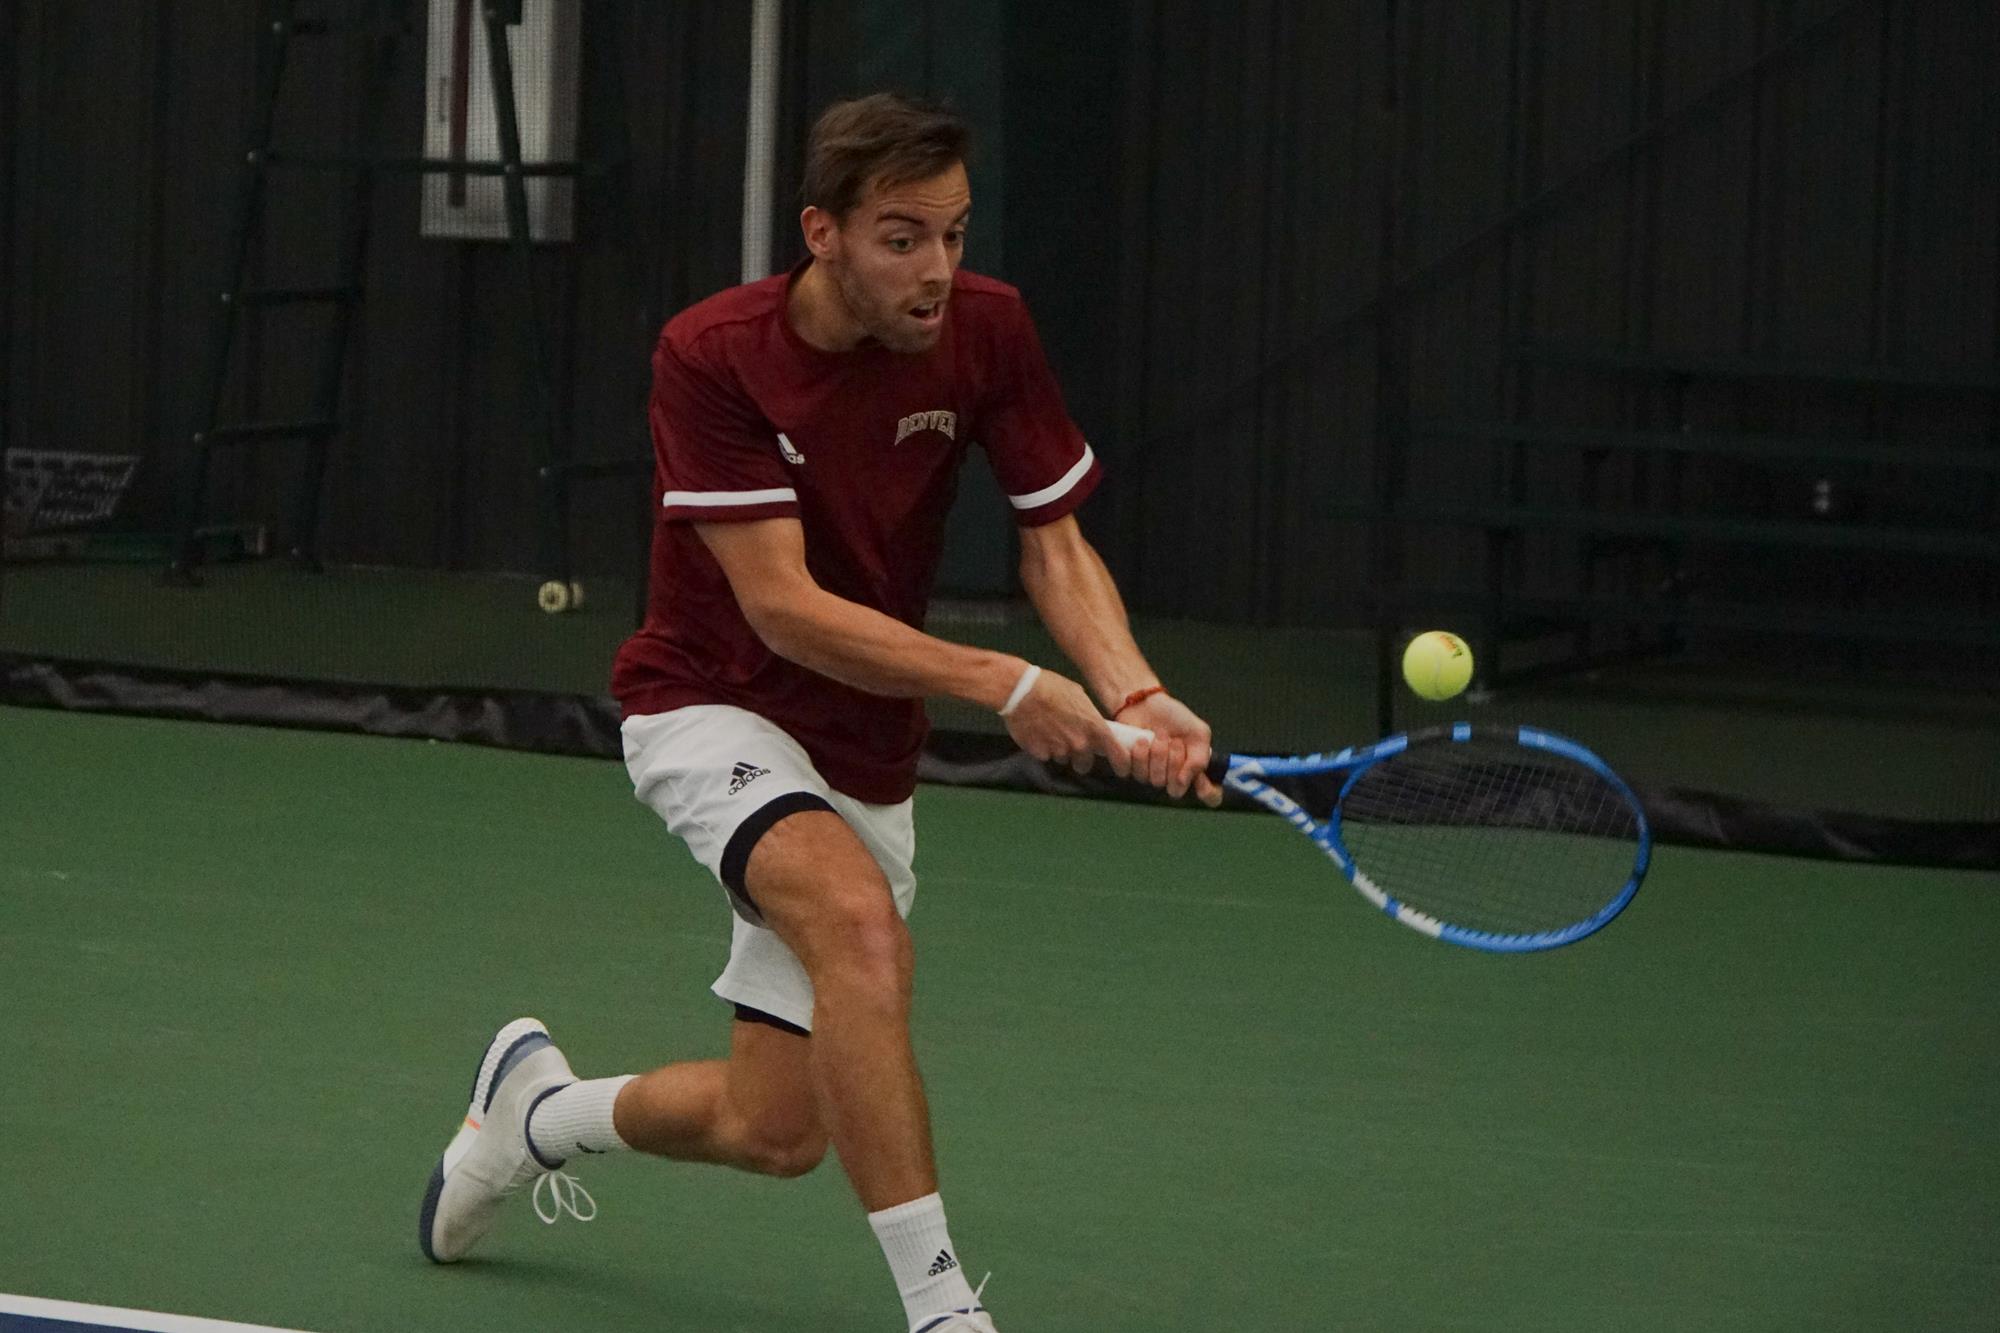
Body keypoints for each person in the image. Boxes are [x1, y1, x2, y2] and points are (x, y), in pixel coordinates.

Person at [417, 92, 1219, 1332]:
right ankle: (946, 1311)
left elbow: (1053, 544)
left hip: (863, 740)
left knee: (774, 1128)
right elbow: (781, 607)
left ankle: (537, 1114)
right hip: (711, 699)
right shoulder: (712, 353)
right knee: (856, 927)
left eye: (953, 234)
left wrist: (1134, 690)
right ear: (822, 232)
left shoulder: (987, 331)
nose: (937, 269)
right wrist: (1002, 683)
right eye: (902, 237)